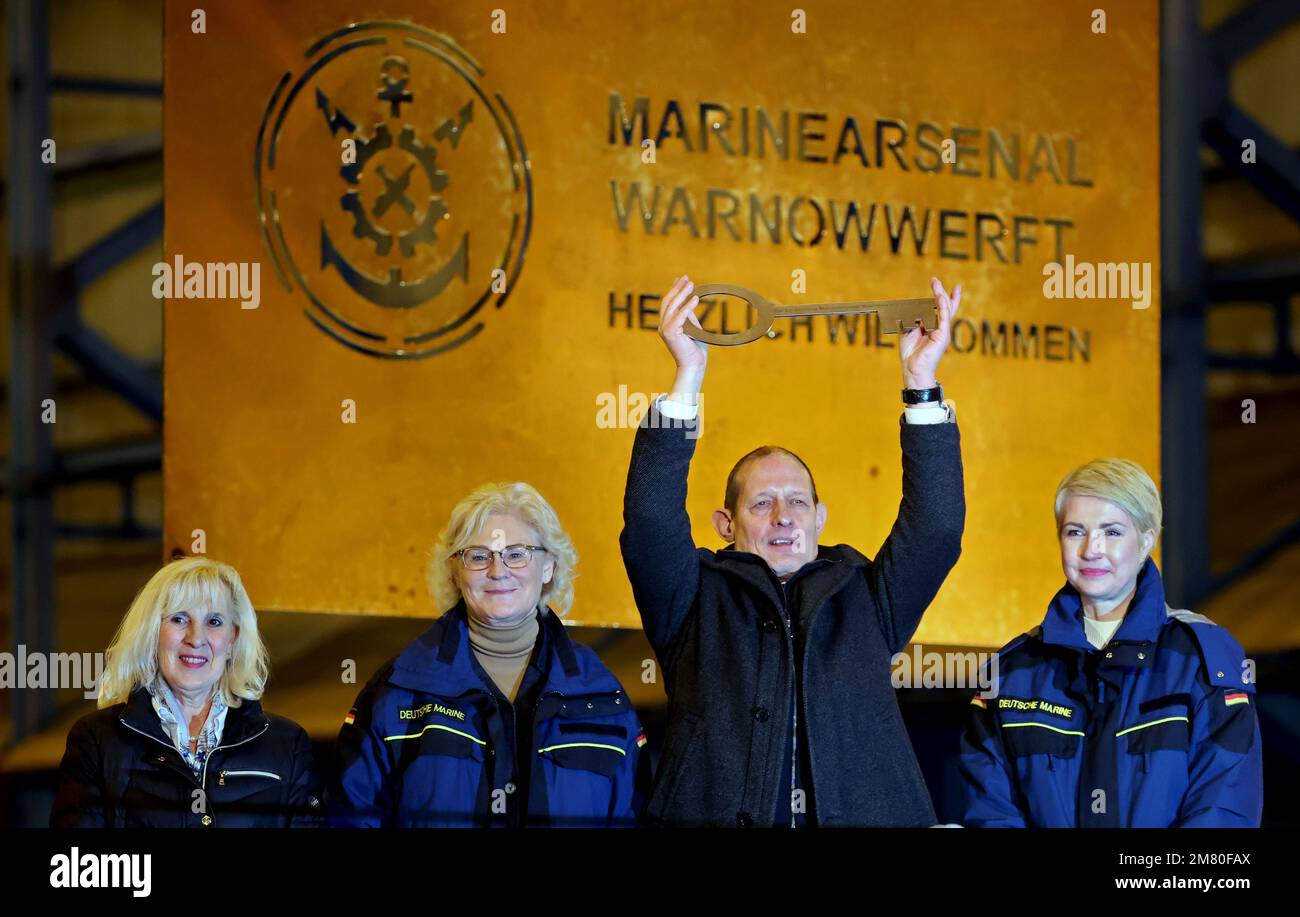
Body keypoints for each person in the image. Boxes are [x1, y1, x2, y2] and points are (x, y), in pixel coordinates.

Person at [620, 274, 966, 827]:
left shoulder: (865, 598)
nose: (783, 516)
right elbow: (650, 520)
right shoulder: (692, 600)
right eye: (761, 503)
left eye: (798, 502)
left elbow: (936, 530)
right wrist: (688, 376)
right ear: (725, 524)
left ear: (820, 518)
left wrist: (921, 384)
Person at [959, 459, 1263, 827]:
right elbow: (992, 814)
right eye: (1075, 532)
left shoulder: (1201, 659)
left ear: (1146, 540)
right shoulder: (1010, 675)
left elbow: (1222, 811)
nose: (1092, 549)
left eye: (1113, 532)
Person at [332, 482, 646, 827]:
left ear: (548, 566)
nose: (498, 571)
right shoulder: (396, 692)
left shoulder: (603, 699)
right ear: (455, 572)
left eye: (517, 554)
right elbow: (350, 817)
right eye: (479, 556)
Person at [50, 556, 322, 827]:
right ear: (153, 632)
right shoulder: (98, 740)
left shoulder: (287, 744)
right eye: (179, 619)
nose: (196, 638)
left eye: (214, 621)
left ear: (232, 638)